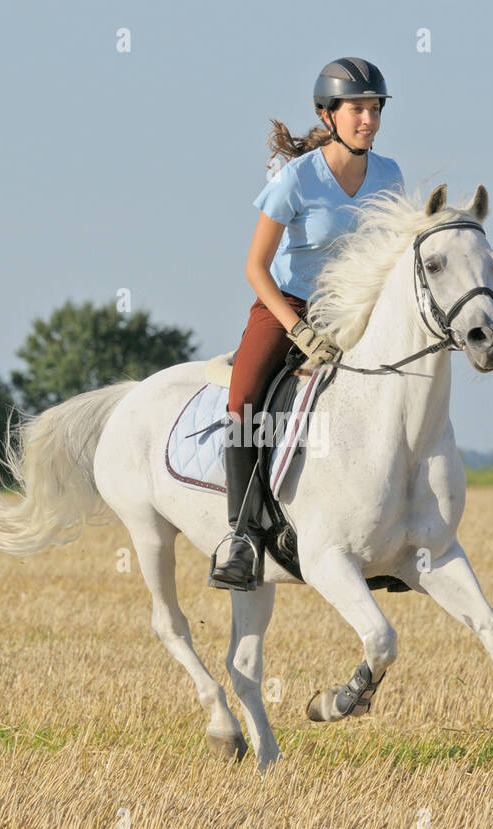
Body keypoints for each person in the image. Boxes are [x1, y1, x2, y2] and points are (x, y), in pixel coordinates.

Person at [208, 56, 407, 590]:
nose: (368, 120)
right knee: (244, 403)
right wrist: (295, 329)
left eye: (375, 109)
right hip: (288, 308)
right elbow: (254, 267)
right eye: (357, 110)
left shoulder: (390, 175)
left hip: (355, 310)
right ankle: (244, 536)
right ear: (328, 113)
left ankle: (392, 535)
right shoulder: (295, 178)